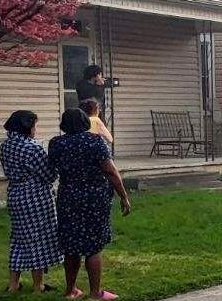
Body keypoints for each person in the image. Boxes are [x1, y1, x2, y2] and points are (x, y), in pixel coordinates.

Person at [48, 109, 131, 301]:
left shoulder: (57, 143)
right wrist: (124, 196)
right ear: (85, 122)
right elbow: (110, 172)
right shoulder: (94, 141)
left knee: (71, 244)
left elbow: (51, 169)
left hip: (68, 197)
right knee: (93, 246)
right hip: (94, 197)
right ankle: (96, 293)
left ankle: (70, 290)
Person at [0, 110, 61, 294]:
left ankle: (13, 284)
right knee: (37, 240)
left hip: (15, 194)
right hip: (34, 197)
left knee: (18, 239)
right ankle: (38, 285)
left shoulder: (5, 146)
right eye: (34, 125)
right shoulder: (32, 147)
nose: (35, 129)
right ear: (27, 127)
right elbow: (49, 174)